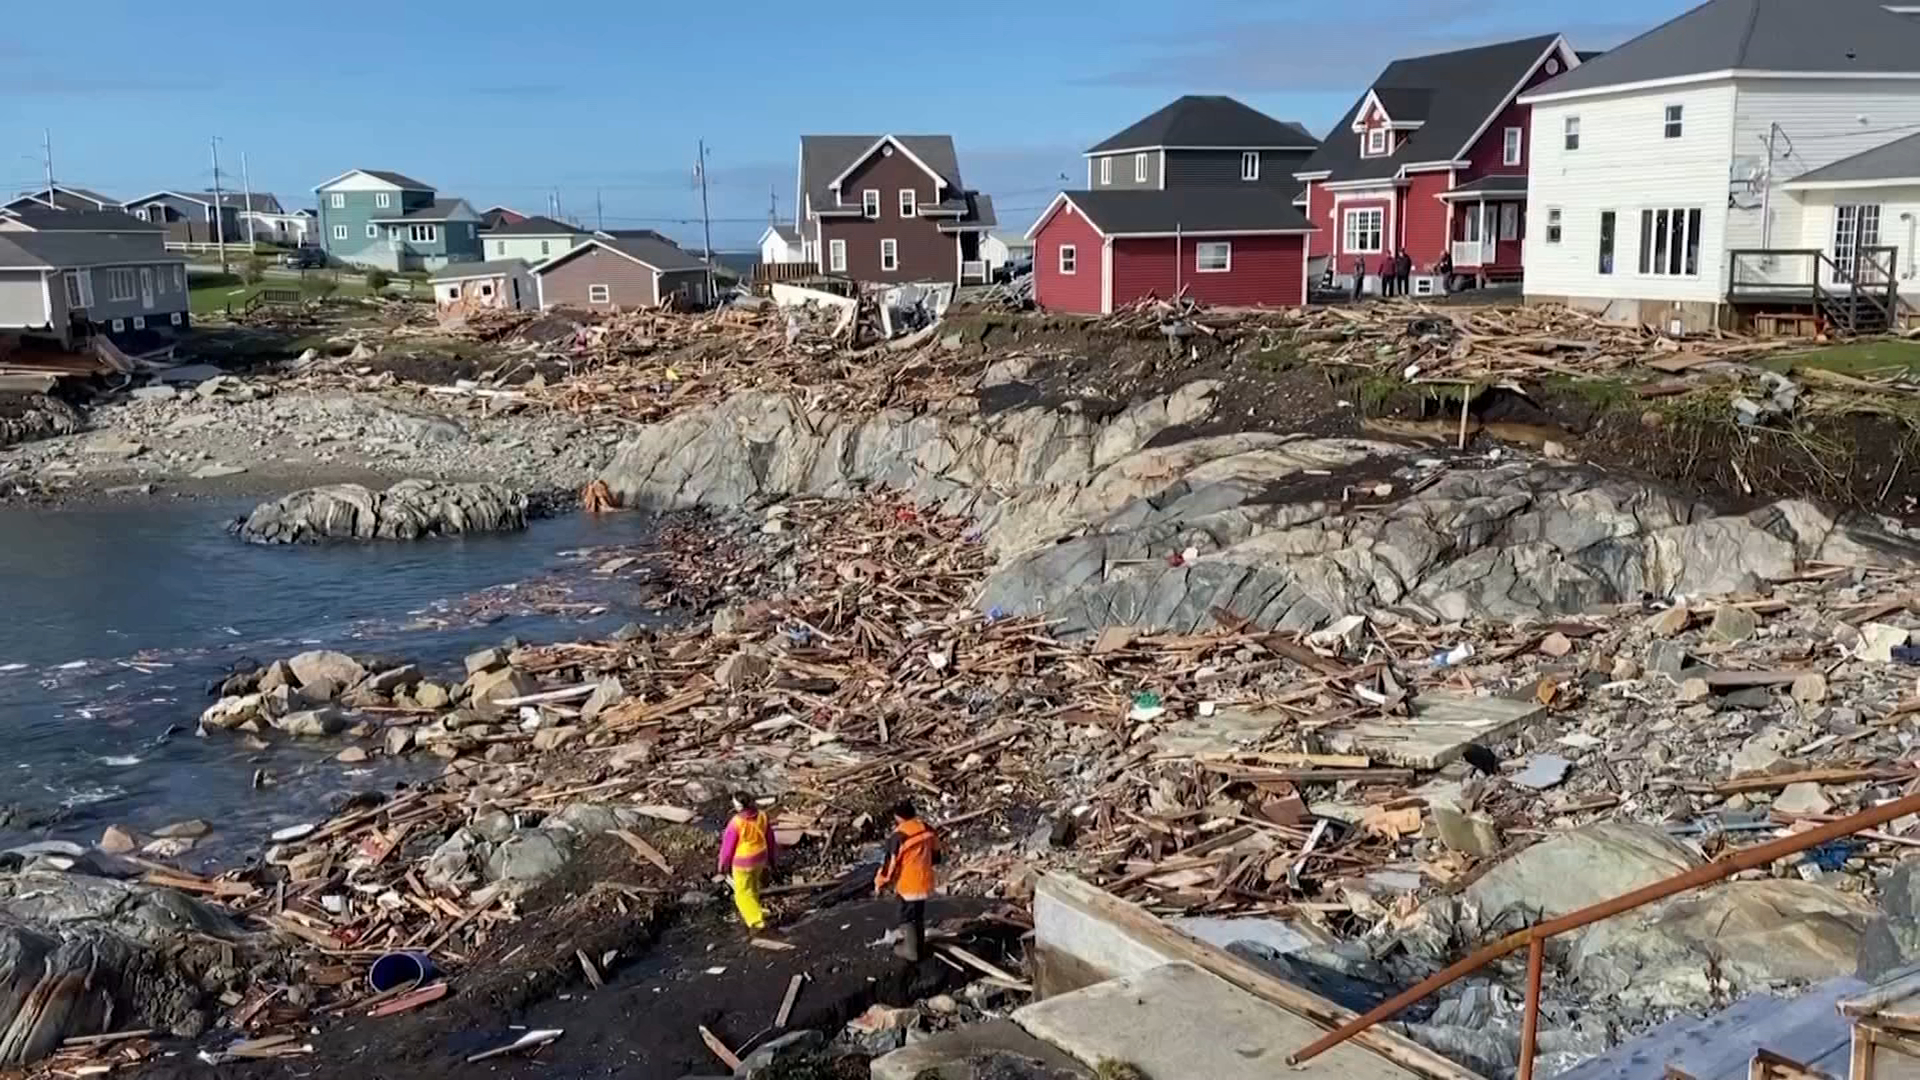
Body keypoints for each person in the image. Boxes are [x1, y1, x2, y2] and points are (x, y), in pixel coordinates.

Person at [873, 799, 939, 961]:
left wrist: (880, 883)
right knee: (918, 914)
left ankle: (911, 952)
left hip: (909, 885)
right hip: (926, 881)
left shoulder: (899, 837)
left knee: (906, 916)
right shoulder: (926, 828)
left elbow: (889, 865)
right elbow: (936, 855)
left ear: (897, 817)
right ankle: (919, 945)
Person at [717, 791, 776, 932]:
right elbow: (770, 839)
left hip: (743, 862)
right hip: (760, 857)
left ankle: (756, 921)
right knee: (754, 886)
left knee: (742, 893)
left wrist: (722, 865)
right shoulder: (763, 815)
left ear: (738, 806)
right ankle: (757, 910)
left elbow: (727, 848)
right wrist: (772, 858)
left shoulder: (736, 823)